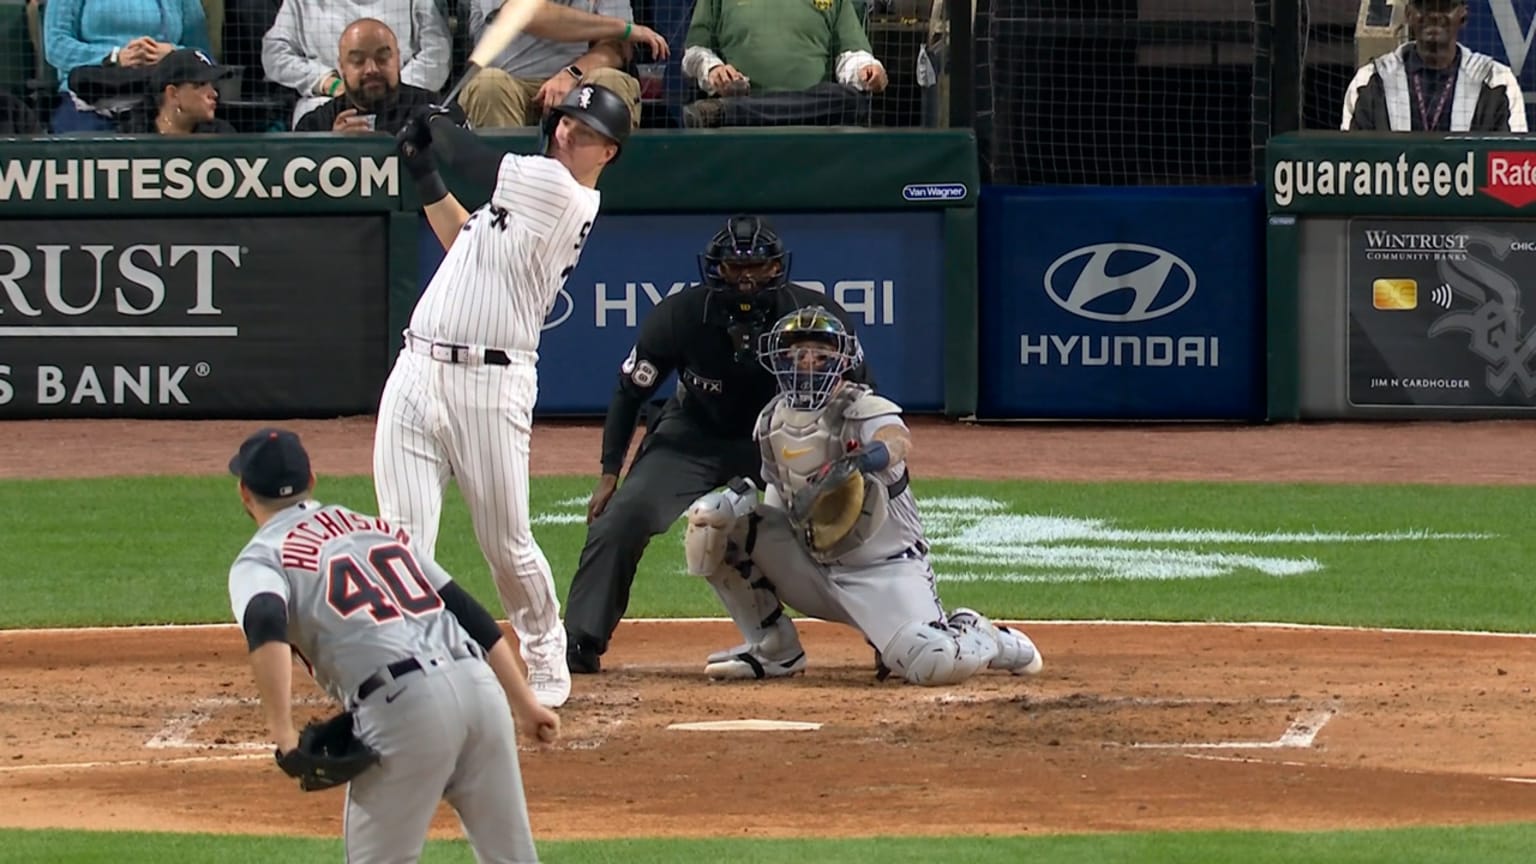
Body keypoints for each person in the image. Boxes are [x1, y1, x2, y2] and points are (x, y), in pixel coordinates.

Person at [374, 82, 632, 709]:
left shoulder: (563, 193)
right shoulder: (527, 189)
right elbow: (466, 237)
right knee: (400, 538)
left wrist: (435, 123)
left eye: (590, 132)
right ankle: (406, 661)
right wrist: (427, 174)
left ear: (609, 154)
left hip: (490, 385)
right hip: (415, 369)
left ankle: (544, 644)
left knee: (506, 543)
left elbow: (475, 157)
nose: (573, 132)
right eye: (570, 121)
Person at [224, 427, 559, 862]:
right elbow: (466, 610)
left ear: (244, 492)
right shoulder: (374, 528)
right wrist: (526, 704)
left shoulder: (261, 555)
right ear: (312, 481)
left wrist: (283, 731)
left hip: (403, 708)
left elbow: (266, 619)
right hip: (481, 691)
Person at [563, 215, 872, 674]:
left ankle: (892, 633)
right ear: (715, 269)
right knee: (623, 518)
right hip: (691, 436)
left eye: (758, 268)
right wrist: (610, 473)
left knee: (839, 528)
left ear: (776, 268)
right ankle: (580, 639)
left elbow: (863, 392)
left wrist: (854, 462)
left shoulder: (811, 317)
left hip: (780, 441)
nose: (746, 279)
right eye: (734, 268)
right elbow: (631, 391)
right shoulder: (680, 315)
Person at [681, 306, 1044, 685]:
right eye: (798, 353)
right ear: (780, 359)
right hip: (813, 567)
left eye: (819, 355)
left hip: (884, 572)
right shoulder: (772, 420)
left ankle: (980, 633)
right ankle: (773, 649)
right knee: (712, 518)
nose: (807, 363)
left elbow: (898, 441)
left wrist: (861, 461)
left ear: (840, 362)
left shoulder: (864, 409)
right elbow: (776, 498)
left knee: (934, 662)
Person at [457, 0, 667, 131]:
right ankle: (505, 196)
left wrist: (572, 73)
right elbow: (523, 12)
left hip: (577, 86)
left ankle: (607, 194)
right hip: (510, 85)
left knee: (611, 82)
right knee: (490, 85)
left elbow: (617, 46)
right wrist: (625, 28)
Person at [679, 0, 887, 127]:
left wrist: (866, 70)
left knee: (849, 100)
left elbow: (850, 52)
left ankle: (727, 111)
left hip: (814, 113)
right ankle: (733, 110)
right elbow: (694, 52)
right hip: (744, 101)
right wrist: (713, 69)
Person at [1341, 0, 1527, 133]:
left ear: (1463, 15)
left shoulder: (1497, 81)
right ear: (1408, 14)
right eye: (1424, 5)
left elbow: (1512, 168)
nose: (1435, 15)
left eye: (1445, 6)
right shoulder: (1371, 81)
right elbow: (1350, 165)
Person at [262, 0, 451, 130]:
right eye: (358, 60)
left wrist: (388, 86)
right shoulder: (301, 3)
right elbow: (275, 52)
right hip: (326, 101)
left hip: (405, 103)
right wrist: (325, 81)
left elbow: (437, 54)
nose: (370, 68)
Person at [42, 0, 212, 133]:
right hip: (89, 97)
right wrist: (114, 56)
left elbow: (203, 55)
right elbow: (56, 46)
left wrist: (172, 55)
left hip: (159, 102)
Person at [294, 18, 467, 135]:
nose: (371, 69)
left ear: (398, 59)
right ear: (342, 67)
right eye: (358, 61)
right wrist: (333, 149)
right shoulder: (314, 126)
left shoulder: (438, 110)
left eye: (382, 58)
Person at [120, 48, 238, 135]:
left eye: (212, 84)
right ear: (172, 94)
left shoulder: (222, 134)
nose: (214, 94)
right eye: (200, 84)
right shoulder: (132, 136)